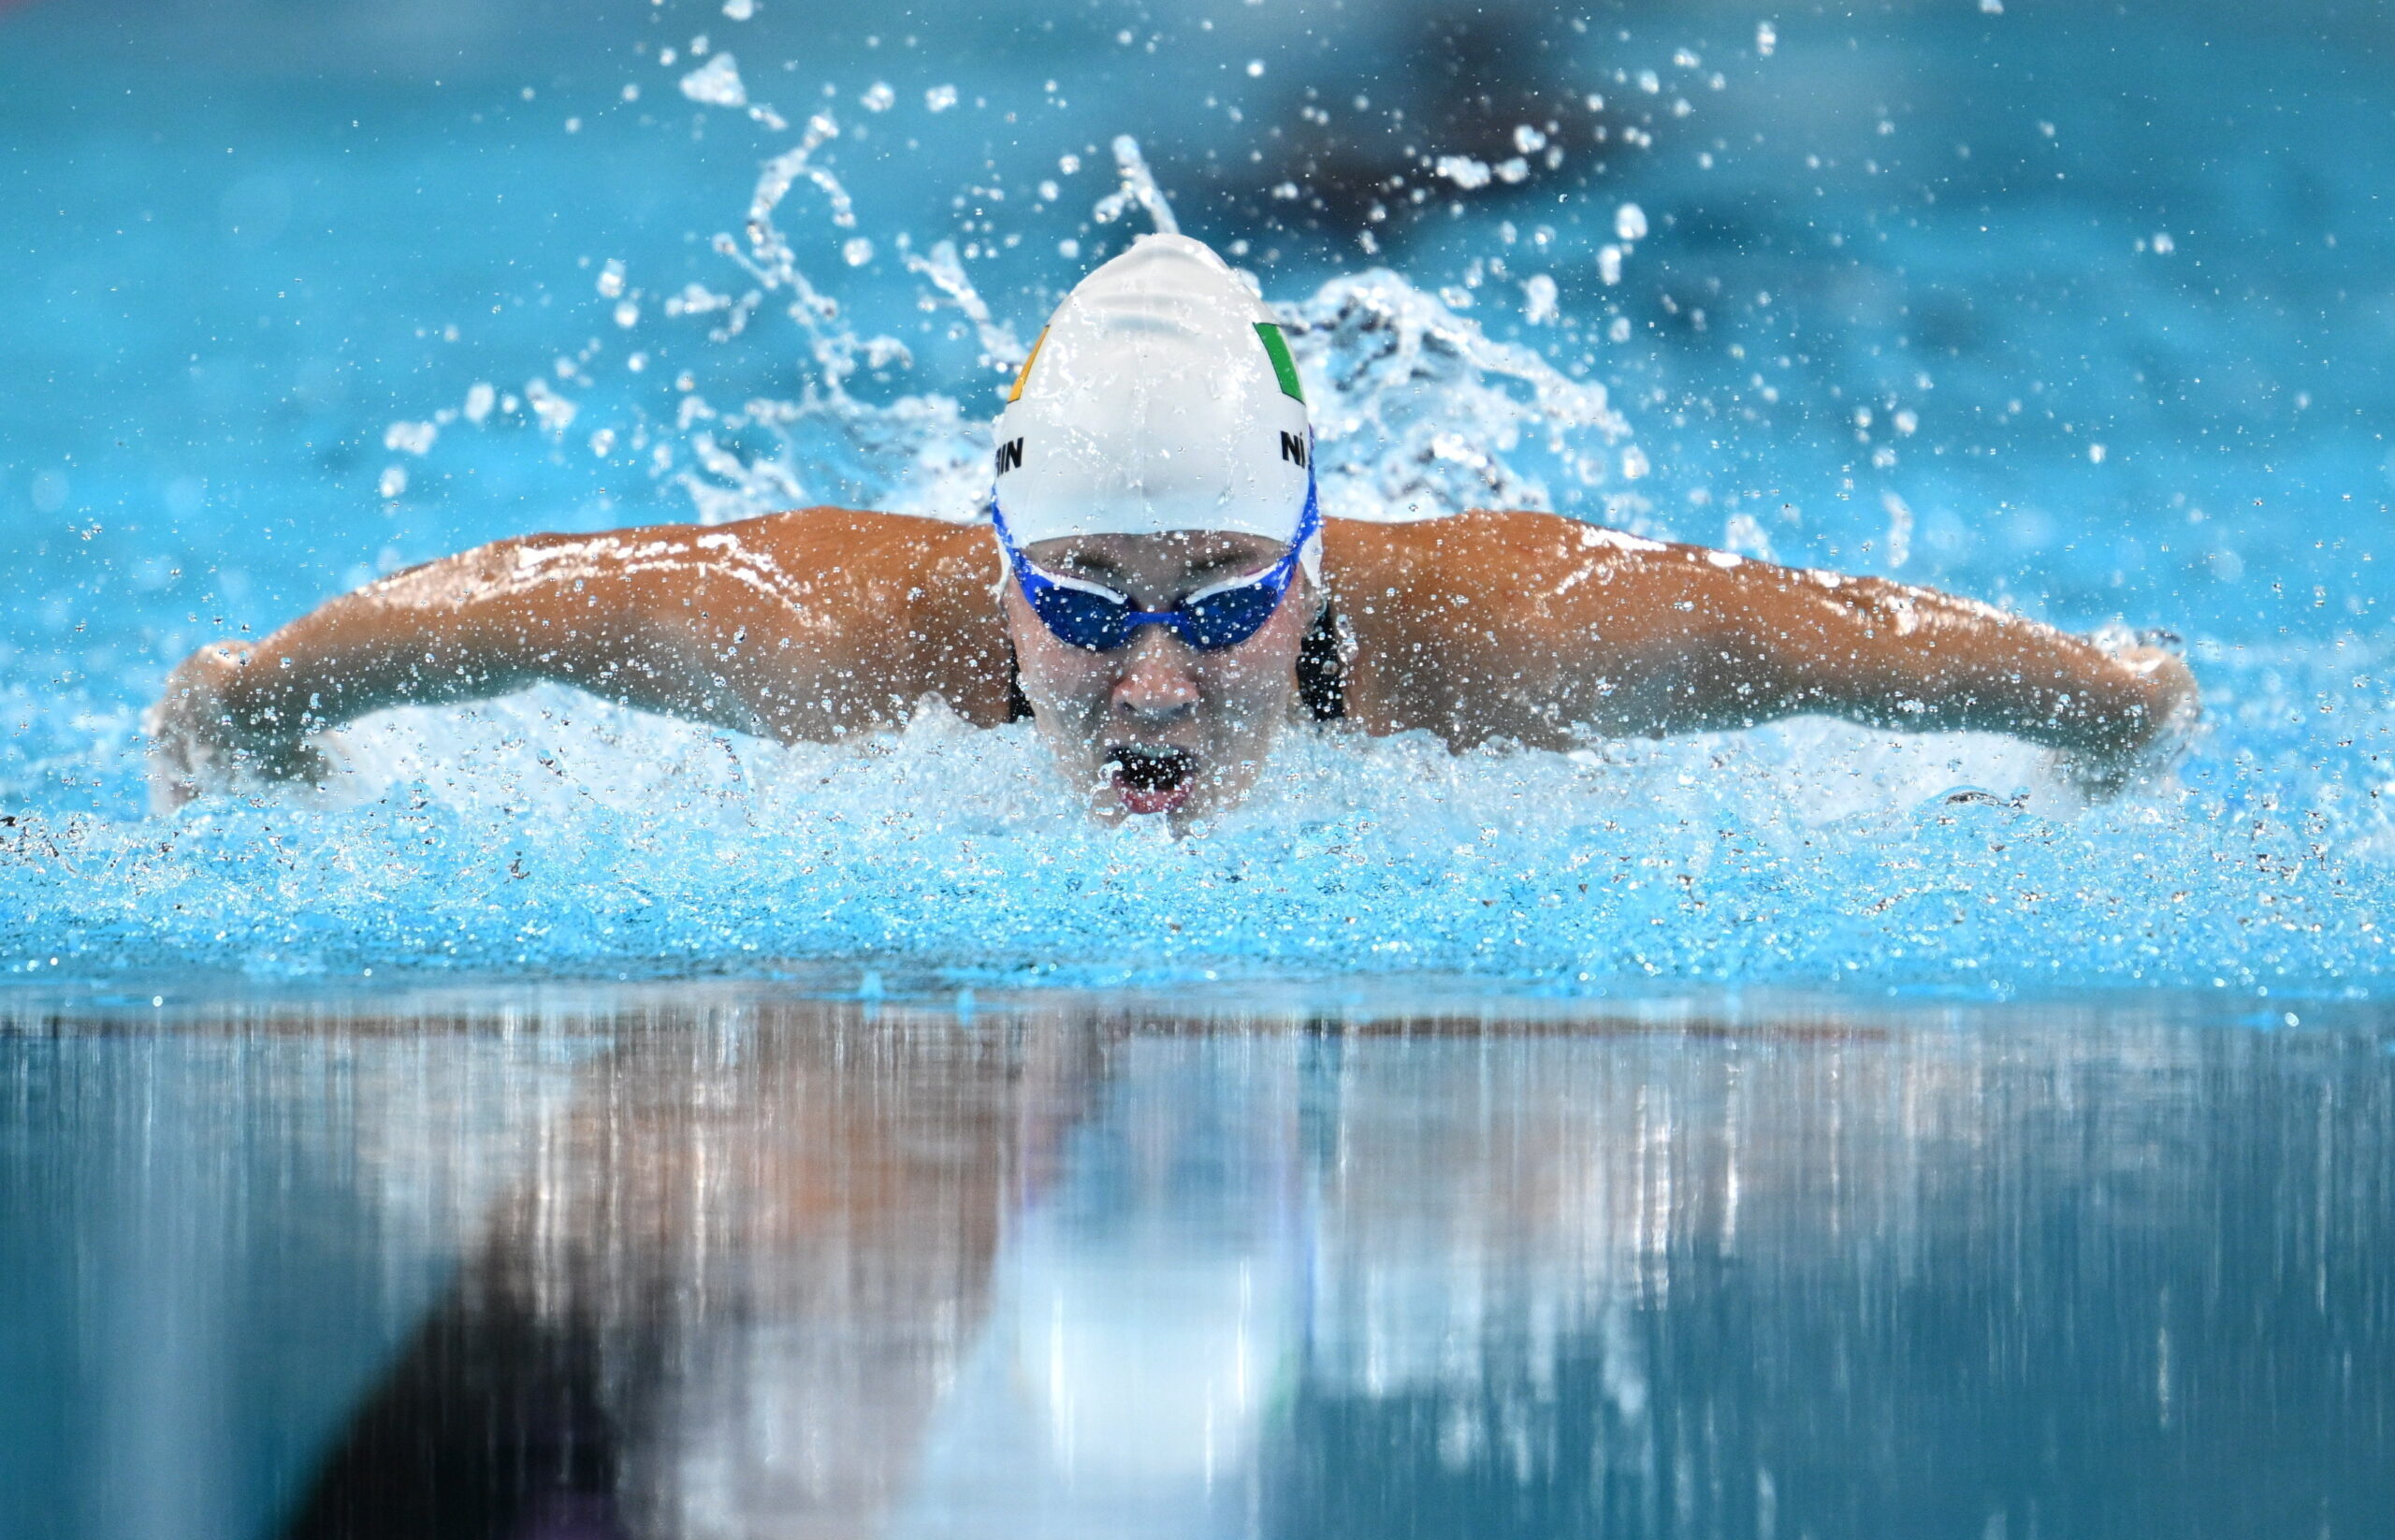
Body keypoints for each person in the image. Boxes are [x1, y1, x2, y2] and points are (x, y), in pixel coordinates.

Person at [148, 234, 2196, 826]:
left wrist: (2101, 712)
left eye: (1222, 601)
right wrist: (246, 704)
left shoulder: (1517, 636)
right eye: (1082, 599)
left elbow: (1855, 642)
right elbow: (509, 614)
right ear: (998, 561)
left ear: (1312, 557)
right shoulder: (828, 632)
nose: (1150, 680)